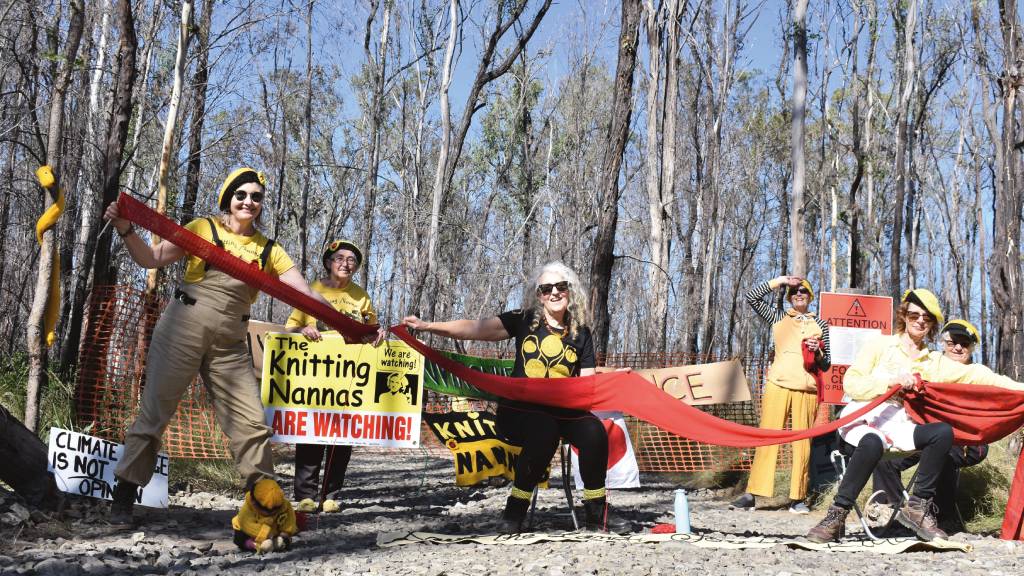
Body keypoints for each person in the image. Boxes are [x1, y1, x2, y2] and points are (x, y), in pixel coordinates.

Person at [103, 167, 332, 525]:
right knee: (154, 414)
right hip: (182, 328)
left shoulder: (270, 250)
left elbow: (304, 293)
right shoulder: (202, 229)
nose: (249, 202)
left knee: (252, 423)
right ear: (228, 198)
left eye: (256, 197)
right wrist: (126, 229)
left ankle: (265, 504)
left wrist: (354, 325)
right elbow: (151, 260)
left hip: (230, 341)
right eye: (242, 195)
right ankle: (123, 497)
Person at [401, 262, 629, 533]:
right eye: (546, 288)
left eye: (560, 287)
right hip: (520, 410)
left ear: (570, 291)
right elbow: (475, 329)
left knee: (594, 431)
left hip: (564, 410)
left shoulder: (581, 332)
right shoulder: (523, 319)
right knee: (544, 429)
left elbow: (586, 381)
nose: (554, 293)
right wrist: (428, 326)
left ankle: (597, 514)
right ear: (539, 295)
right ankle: (515, 510)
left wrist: (612, 376)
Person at [806, 289, 1024, 543]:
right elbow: (852, 383)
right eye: (914, 314)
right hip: (862, 420)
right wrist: (890, 382)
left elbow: (981, 376)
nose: (920, 320)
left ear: (932, 325)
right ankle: (836, 515)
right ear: (904, 315)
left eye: (926, 318)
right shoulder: (880, 344)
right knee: (873, 441)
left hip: (899, 427)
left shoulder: (933, 362)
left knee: (942, 432)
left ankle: (917, 507)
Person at [286, 239, 385, 513]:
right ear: (329, 262)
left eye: (351, 260)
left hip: (350, 378)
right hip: (314, 378)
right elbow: (290, 327)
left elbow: (370, 331)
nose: (345, 264)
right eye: (339, 258)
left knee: (343, 435)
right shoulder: (312, 290)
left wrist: (378, 334)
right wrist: (304, 331)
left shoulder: (361, 296)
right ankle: (306, 495)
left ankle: (331, 494)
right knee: (311, 432)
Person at [869, 319, 989, 532]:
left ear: (972, 348)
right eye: (952, 343)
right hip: (925, 431)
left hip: (966, 439)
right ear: (944, 344)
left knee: (943, 450)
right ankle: (891, 513)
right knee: (884, 455)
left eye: (964, 343)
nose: (958, 348)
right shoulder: (928, 367)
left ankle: (939, 515)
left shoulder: (978, 375)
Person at [731, 276, 830, 514]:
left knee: (802, 444)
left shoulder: (821, 325)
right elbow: (751, 297)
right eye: (794, 291)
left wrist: (818, 353)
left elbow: (827, 364)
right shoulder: (778, 318)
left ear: (810, 296)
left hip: (806, 390)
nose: (799, 294)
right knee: (767, 438)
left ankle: (798, 498)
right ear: (789, 296)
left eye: (803, 291)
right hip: (778, 385)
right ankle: (752, 494)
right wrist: (780, 281)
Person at [232, 478, 299, 553]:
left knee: (285, 539)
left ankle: (279, 543)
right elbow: (247, 525)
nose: (271, 513)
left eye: (275, 510)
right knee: (240, 538)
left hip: (275, 533)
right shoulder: (248, 507)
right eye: (267, 511)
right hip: (249, 532)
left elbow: (289, 522)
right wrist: (265, 536)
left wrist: (284, 534)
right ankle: (253, 545)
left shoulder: (285, 506)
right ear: (254, 502)